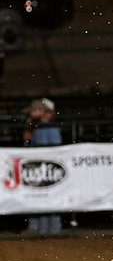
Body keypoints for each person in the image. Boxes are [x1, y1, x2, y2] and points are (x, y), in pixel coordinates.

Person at [22, 97, 62, 236]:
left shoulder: (48, 126)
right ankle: (42, 228)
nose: (32, 114)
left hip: (47, 166)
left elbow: (55, 148)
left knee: (48, 193)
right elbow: (29, 142)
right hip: (41, 165)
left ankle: (50, 229)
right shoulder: (39, 126)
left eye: (34, 111)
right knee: (42, 193)